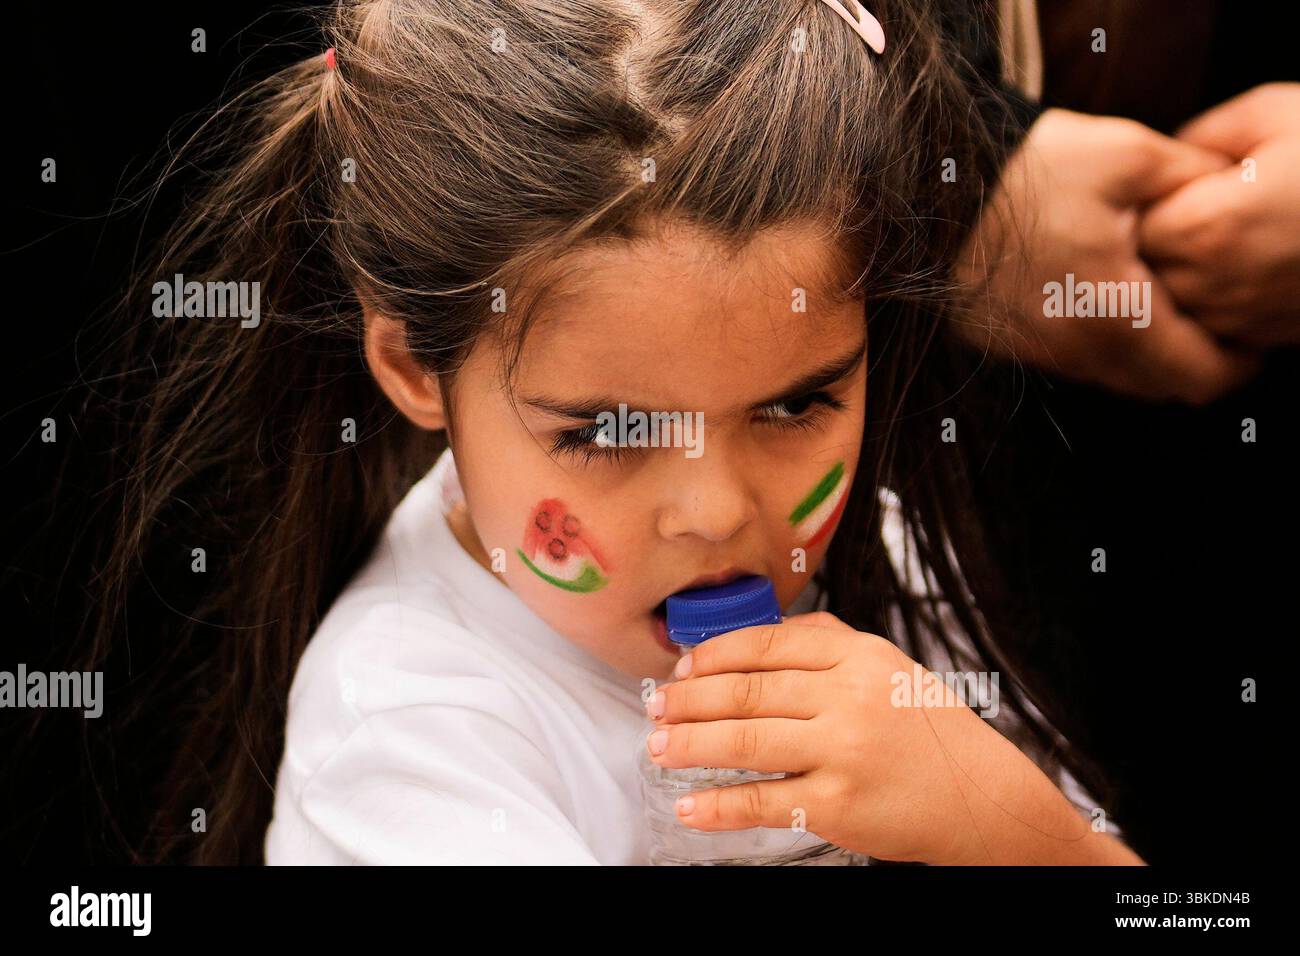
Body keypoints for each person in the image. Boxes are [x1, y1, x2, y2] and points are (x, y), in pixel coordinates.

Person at [36, 0, 1142, 864]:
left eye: (796, 404)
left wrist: (1012, 826)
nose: (717, 511)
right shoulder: (411, 741)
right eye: (609, 431)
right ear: (418, 365)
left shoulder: (884, 557)